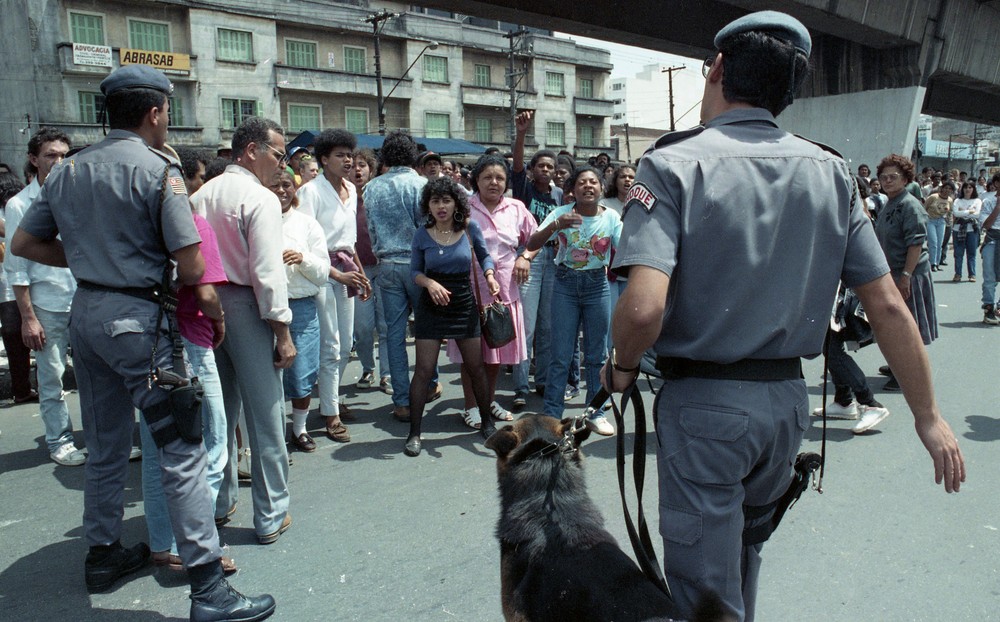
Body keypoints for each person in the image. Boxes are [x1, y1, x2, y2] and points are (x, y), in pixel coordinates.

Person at [601, 13, 964, 622]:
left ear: (718, 69)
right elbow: (888, 305)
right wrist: (928, 417)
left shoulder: (671, 164)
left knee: (704, 597)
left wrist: (620, 370)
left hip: (705, 409)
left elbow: (642, 309)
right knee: (742, 567)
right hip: (786, 407)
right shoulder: (831, 171)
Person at [11, 64, 275, 620]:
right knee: (181, 446)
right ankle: (207, 586)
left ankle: (103, 555)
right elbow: (191, 262)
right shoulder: (160, 170)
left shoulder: (67, 170)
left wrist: (91, 261)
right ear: (155, 112)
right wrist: (210, 310)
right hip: (140, 321)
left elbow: (27, 242)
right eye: (167, 111)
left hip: (87, 314)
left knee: (106, 442)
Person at [192, 115, 296, 547]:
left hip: (203, 305)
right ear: (252, 150)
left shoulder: (200, 195)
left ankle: (219, 503)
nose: (282, 164)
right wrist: (283, 332)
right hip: (247, 305)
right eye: (278, 153)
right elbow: (268, 273)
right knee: (266, 413)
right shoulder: (260, 199)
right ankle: (271, 513)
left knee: (219, 414)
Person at [405, 177, 500, 456]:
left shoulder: (470, 228)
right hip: (431, 305)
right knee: (423, 371)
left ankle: (487, 424)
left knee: (476, 367)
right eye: (435, 201)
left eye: (446, 200)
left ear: (456, 203)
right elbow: (414, 272)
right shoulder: (422, 234)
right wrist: (430, 283)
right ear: (428, 206)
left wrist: (491, 276)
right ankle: (414, 433)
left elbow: (485, 257)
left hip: (463, 303)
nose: (441, 206)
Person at [4, 127, 81, 465]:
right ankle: (59, 441)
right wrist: (28, 317)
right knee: (52, 380)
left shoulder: (77, 196)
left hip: (83, 300)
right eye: (51, 155)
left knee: (95, 379)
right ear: (34, 160)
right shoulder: (20, 204)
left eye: (64, 155)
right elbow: (16, 267)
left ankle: (101, 439)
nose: (59, 161)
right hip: (47, 305)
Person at [526, 166, 621, 434]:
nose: (588, 186)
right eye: (582, 182)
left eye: (593, 182)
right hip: (565, 284)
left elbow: (625, 248)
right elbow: (532, 242)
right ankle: (552, 416)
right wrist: (557, 225)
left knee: (596, 354)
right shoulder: (561, 213)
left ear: (602, 188)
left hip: (597, 285)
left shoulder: (611, 217)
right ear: (573, 189)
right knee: (561, 355)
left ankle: (595, 411)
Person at [446, 154, 535, 426]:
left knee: (497, 350)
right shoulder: (463, 209)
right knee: (470, 354)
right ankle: (471, 406)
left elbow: (536, 238)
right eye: (487, 177)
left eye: (499, 178)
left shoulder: (517, 208)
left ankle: (489, 399)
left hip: (505, 291)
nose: (493, 183)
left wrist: (525, 256)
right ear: (476, 180)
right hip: (470, 291)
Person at [296, 129, 370, 443]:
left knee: (346, 344)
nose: (347, 161)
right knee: (330, 344)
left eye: (350, 155)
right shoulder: (311, 192)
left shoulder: (352, 191)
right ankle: (331, 414)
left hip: (346, 269)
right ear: (324, 159)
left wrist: (361, 274)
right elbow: (303, 242)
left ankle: (332, 398)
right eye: (340, 155)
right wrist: (336, 274)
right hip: (320, 272)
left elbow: (350, 242)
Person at [362, 131, 441, 423]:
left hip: (386, 264)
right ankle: (430, 384)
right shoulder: (421, 185)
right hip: (418, 266)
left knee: (394, 335)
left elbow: (371, 229)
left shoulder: (371, 188)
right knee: (426, 330)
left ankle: (402, 401)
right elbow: (428, 227)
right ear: (412, 156)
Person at [272, 166, 329, 453]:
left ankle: (300, 428)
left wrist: (302, 259)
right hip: (266, 307)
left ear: (295, 189)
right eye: (275, 185)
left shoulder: (307, 224)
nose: (281, 191)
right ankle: (273, 435)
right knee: (268, 375)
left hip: (301, 307)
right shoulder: (257, 219)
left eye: (286, 185)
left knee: (302, 371)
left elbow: (321, 273)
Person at [510, 111, 563, 407]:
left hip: (554, 259)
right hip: (528, 259)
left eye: (551, 166)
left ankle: (540, 380)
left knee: (547, 326)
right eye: (541, 165)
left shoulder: (557, 195)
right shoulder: (524, 189)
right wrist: (521, 134)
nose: (546, 170)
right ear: (532, 170)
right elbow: (516, 166)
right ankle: (520, 386)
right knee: (526, 326)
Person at [351, 148, 391, 395]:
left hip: (383, 268)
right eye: (354, 165)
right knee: (363, 327)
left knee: (386, 325)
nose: (358, 169)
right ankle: (368, 367)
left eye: (363, 165)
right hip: (358, 271)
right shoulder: (342, 198)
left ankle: (386, 374)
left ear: (372, 169)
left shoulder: (380, 196)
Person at [0, 171, 35, 406]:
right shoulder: (17, 207)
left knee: (15, 340)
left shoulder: (15, 207)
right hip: (10, 285)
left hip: (9, 284)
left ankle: (22, 389)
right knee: (16, 340)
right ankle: (21, 389)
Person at [979, 172, 1000, 324]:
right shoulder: (988, 201)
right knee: (989, 277)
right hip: (992, 239)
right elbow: (985, 225)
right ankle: (989, 308)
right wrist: (998, 207)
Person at [951, 181, 981, 282]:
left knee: (971, 253)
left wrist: (962, 212)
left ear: (973, 189)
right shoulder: (957, 201)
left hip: (972, 229)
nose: (967, 190)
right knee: (958, 253)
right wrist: (969, 211)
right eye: (965, 187)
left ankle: (972, 274)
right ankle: (958, 274)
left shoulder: (977, 201)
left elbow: (977, 214)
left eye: (970, 187)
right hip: (958, 229)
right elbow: (955, 213)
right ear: (962, 189)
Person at [923, 182, 953, 271]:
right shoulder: (933, 197)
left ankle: (937, 262)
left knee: (940, 243)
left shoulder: (950, 200)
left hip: (941, 221)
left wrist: (948, 220)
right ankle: (932, 263)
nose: (947, 190)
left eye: (949, 189)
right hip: (930, 220)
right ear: (942, 188)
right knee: (933, 242)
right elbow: (924, 208)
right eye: (946, 188)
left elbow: (950, 211)